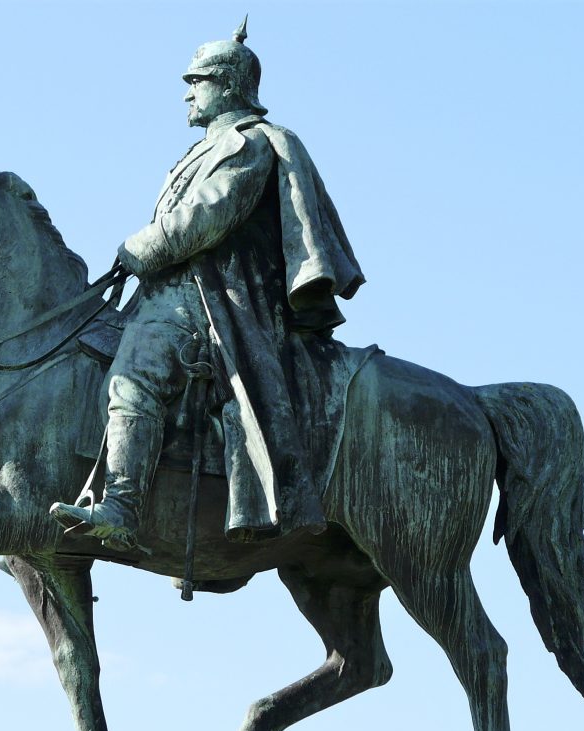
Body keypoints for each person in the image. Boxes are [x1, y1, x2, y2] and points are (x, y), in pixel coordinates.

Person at [51, 19, 364, 551]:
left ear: (228, 85)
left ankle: (121, 507)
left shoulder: (249, 142)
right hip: (176, 290)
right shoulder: (202, 149)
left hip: (217, 298)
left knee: (136, 371)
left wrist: (139, 247)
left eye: (196, 81)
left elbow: (206, 216)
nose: (187, 93)